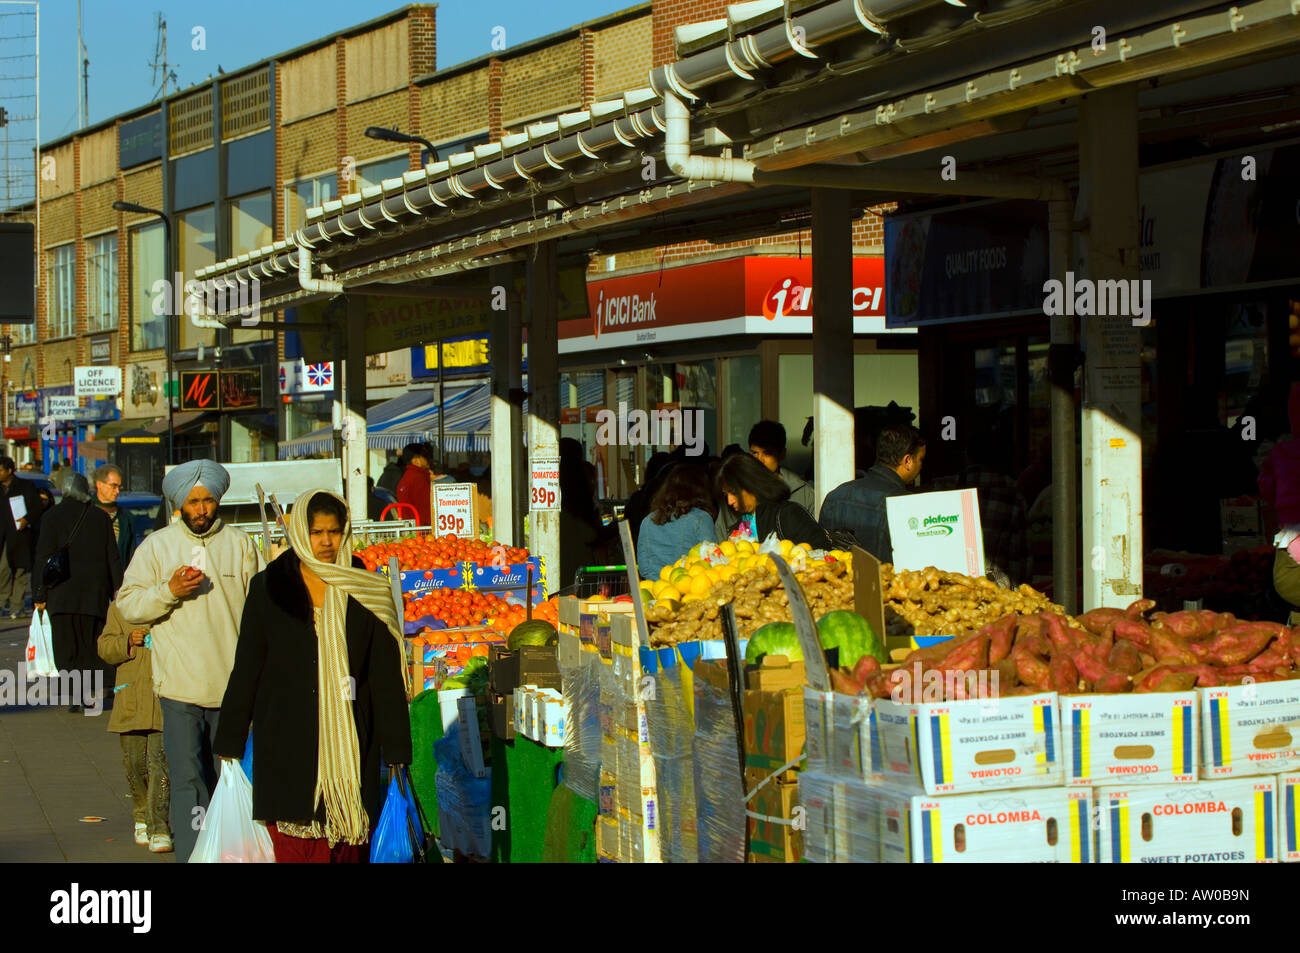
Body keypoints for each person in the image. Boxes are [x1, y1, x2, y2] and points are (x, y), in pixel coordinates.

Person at [214, 490, 412, 863]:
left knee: (347, 847)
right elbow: (248, 668)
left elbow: (383, 678)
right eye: (317, 532)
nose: (326, 542)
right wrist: (230, 740)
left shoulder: (366, 589)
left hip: (352, 743)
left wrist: (398, 750)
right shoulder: (269, 587)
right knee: (293, 848)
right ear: (300, 533)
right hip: (287, 743)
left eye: (334, 532)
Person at [115, 460, 262, 863]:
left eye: (207, 500)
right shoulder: (157, 547)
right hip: (178, 689)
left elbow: (260, 610)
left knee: (229, 781)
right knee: (188, 780)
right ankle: (196, 856)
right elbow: (128, 605)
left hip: (231, 688)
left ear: (218, 501)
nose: (201, 509)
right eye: (193, 502)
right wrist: (169, 590)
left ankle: (230, 853)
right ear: (179, 504)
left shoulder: (241, 544)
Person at [33, 474, 123, 712]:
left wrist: (39, 594)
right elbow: (112, 557)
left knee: (66, 647)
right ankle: (92, 690)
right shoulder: (100, 518)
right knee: (89, 644)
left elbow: (42, 557)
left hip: (60, 595)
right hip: (93, 595)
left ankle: (75, 696)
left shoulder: (51, 517)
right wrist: (119, 589)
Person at [97, 601, 171, 853]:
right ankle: (141, 815)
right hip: (131, 696)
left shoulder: (170, 603)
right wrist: (127, 640)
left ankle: (159, 826)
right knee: (134, 763)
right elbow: (105, 646)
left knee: (160, 762)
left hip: (164, 693)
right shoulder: (120, 607)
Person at [933, 421, 1031, 586]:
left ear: (968, 456)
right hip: (995, 591)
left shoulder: (944, 489)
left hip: (948, 588)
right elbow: (1019, 558)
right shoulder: (1012, 497)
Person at [820, 424, 927, 565]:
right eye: (921, 460)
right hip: (885, 584)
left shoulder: (835, 495)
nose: (921, 466)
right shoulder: (905, 505)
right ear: (907, 461)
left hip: (837, 583)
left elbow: (819, 552)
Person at [714, 452, 832, 549]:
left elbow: (821, 553)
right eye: (726, 494)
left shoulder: (787, 514)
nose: (730, 501)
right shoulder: (737, 529)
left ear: (750, 483)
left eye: (734, 492)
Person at [637, 464, 718, 580]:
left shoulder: (648, 521)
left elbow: (643, 568)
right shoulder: (701, 519)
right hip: (691, 591)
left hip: (653, 591)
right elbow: (712, 561)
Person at [0, 454, 42, 620]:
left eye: (1, 470)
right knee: (3, 571)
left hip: (20, 536)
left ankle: (17, 606)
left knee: (20, 571)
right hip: (2, 538)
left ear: (10, 470)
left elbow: (36, 508)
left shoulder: (25, 486)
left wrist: (27, 520)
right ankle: (2, 602)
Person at [748, 421, 815, 514]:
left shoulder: (803, 493)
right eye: (755, 453)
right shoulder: (738, 490)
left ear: (782, 454)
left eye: (767, 453)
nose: (760, 460)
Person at [93, 463, 137, 573]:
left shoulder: (126, 518)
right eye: (113, 486)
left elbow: (130, 555)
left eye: (119, 487)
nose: (117, 491)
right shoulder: (85, 512)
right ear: (99, 484)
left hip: (117, 580)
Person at [395, 443, 434, 526]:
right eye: (425, 456)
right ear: (416, 461)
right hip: (421, 530)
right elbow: (426, 509)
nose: (428, 460)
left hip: (410, 528)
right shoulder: (418, 478)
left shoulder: (407, 477)